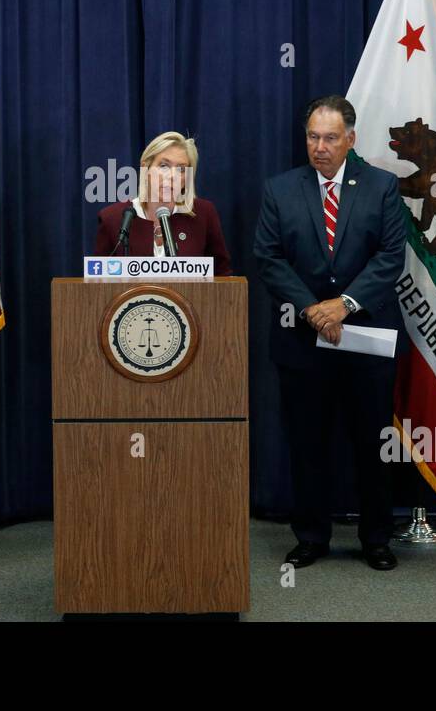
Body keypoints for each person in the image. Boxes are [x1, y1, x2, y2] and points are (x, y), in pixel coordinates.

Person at [254, 96, 407, 571]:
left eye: (330, 138)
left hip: (368, 341)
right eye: (312, 138)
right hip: (303, 342)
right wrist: (313, 310)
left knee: (371, 444)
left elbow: (390, 256)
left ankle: (376, 538)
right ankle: (312, 537)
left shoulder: (382, 186)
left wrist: (344, 305)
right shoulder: (280, 189)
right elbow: (269, 258)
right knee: (307, 444)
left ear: (351, 140)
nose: (319, 147)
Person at [94, 131, 233, 274]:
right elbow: (98, 285)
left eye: (181, 169)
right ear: (145, 169)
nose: (172, 176)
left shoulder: (204, 214)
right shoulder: (113, 218)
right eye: (164, 166)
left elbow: (222, 277)